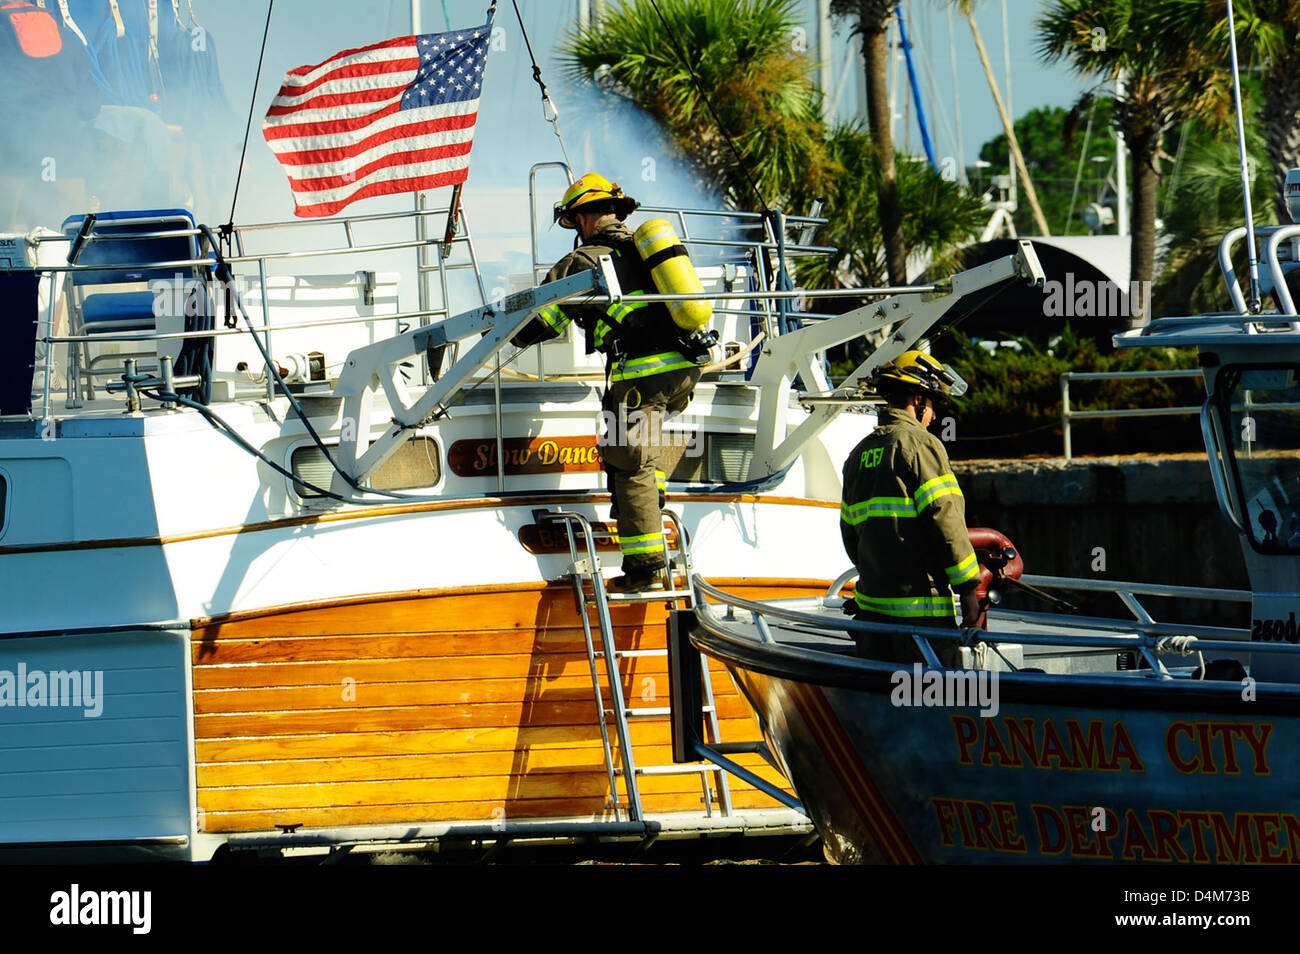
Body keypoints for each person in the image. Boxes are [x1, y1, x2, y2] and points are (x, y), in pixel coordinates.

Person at [512, 173, 707, 593]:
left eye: (575, 219)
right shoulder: (643, 249)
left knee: (629, 460)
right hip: (681, 372)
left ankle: (645, 566)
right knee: (642, 457)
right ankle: (648, 515)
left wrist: (505, 334)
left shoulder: (584, 259)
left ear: (584, 216)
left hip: (642, 374)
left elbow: (543, 319)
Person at [840, 351, 982, 667]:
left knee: (882, 707)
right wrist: (969, 589)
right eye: (932, 404)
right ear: (917, 399)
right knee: (933, 708)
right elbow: (946, 521)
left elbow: (851, 534)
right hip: (922, 619)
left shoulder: (858, 455)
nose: (933, 416)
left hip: (872, 620)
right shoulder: (920, 444)